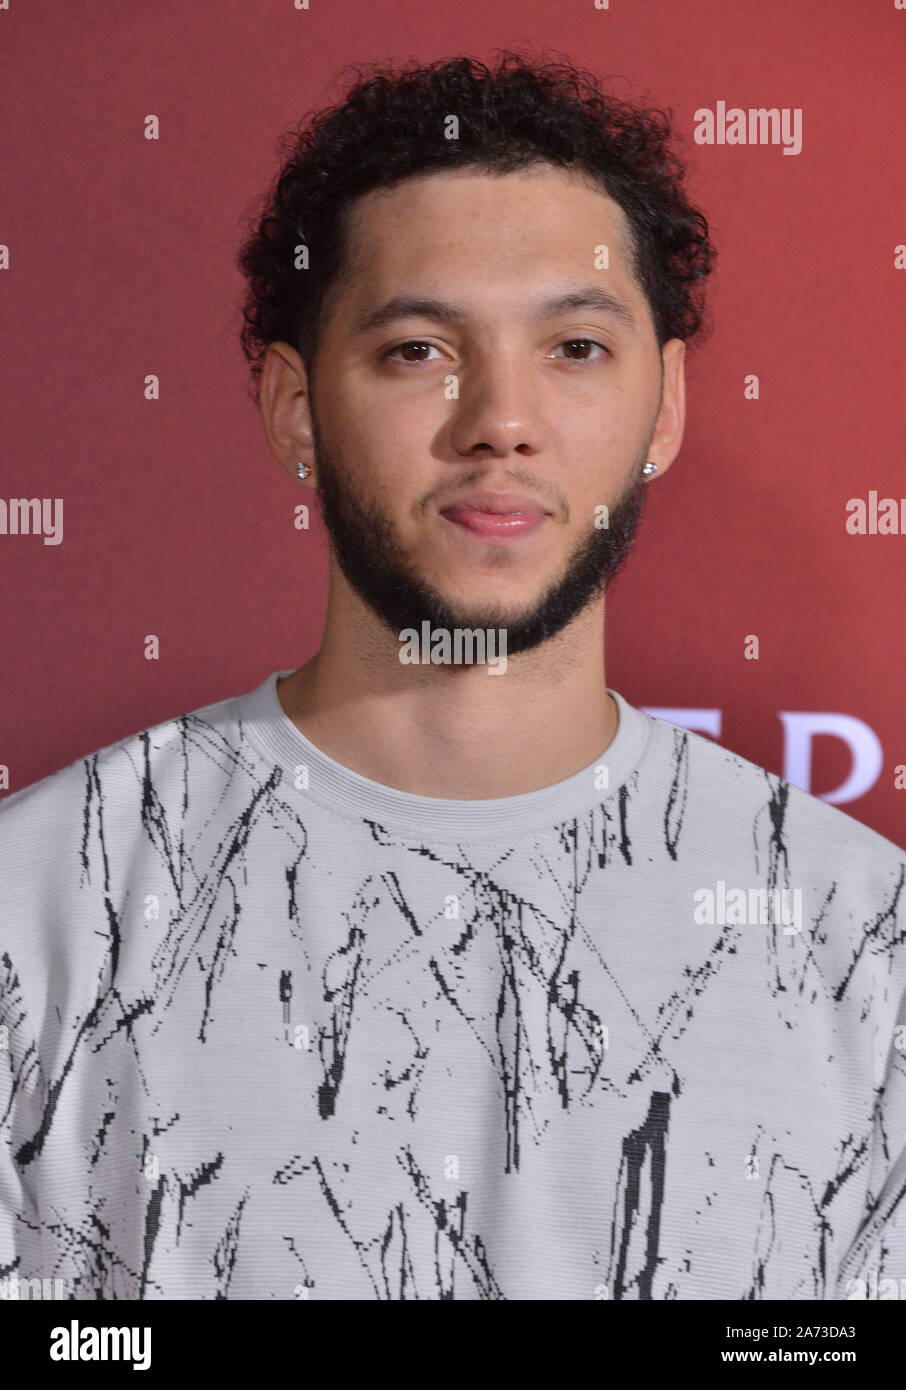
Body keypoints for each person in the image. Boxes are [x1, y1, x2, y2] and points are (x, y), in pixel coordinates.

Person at [1, 53, 904, 1302]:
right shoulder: (39, 908)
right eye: (419, 348)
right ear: (294, 407)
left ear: (667, 404)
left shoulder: (869, 941)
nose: (501, 419)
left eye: (576, 346)